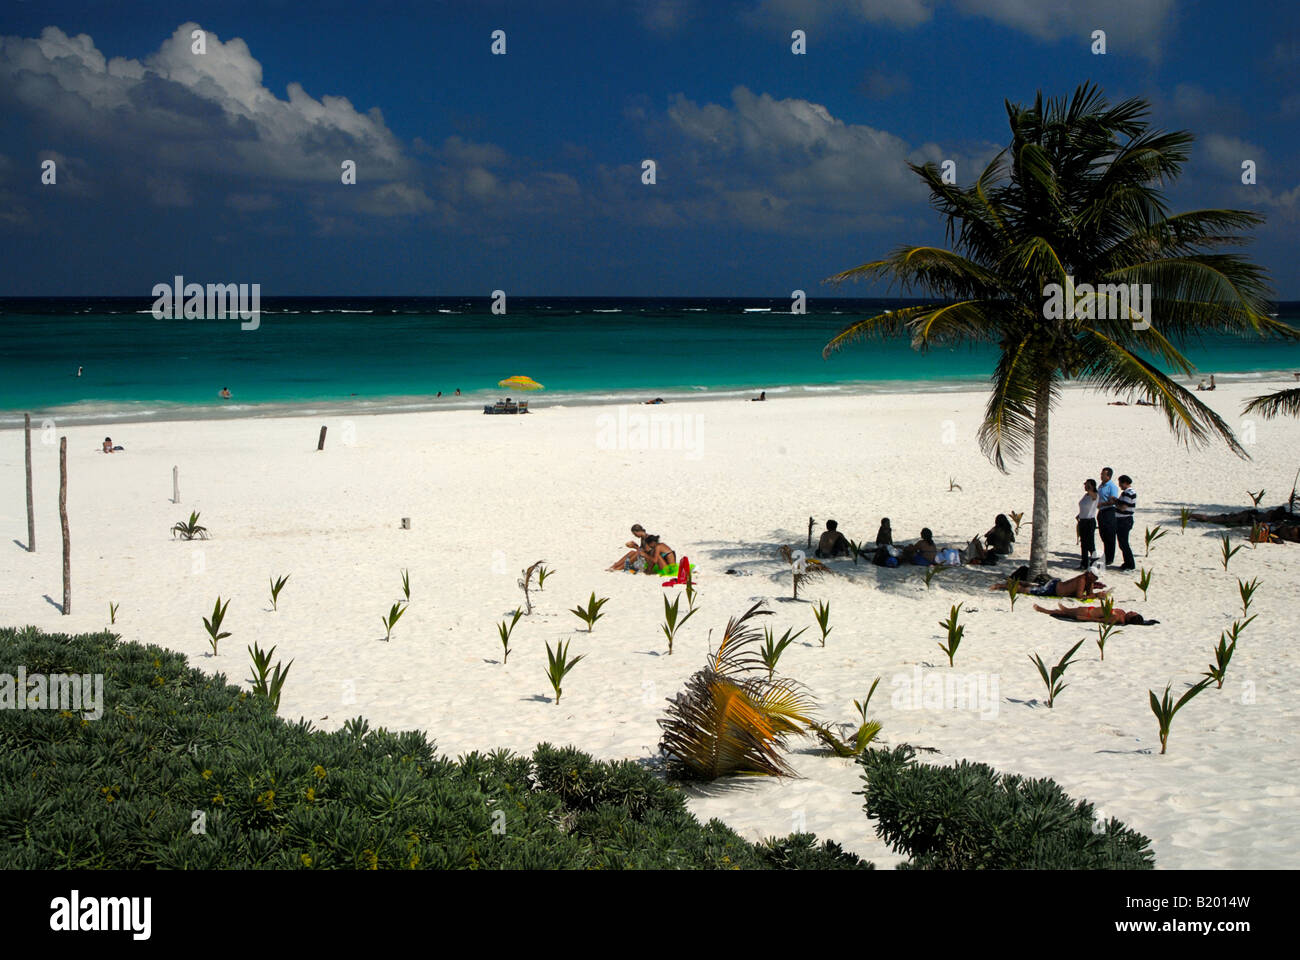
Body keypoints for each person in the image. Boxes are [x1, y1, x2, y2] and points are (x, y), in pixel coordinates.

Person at [994, 569, 1109, 599]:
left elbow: (1089, 593)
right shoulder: (1082, 580)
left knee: (1033, 586)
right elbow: (1080, 596)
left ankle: (1012, 582)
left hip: (1054, 585)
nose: (1096, 579)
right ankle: (1002, 586)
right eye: (1095, 577)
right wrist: (1097, 596)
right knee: (1028, 590)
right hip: (1053, 588)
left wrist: (1094, 594)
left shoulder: (1088, 581)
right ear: (1090, 574)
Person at [1033, 603, 1157, 626]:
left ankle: (1044, 610)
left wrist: (1083, 618)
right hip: (1090, 609)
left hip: (1087, 613)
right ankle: (1065, 609)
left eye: (1133, 613)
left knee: (1062, 613)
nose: (1132, 611)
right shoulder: (1123, 613)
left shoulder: (1118, 618)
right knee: (1066, 610)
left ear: (1131, 618)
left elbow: (1098, 621)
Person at [1096, 467, 1119, 567]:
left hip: (1109, 511)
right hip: (1101, 512)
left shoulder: (1112, 487)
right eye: (1101, 474)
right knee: (1103, 534)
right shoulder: (1101, 486)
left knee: (1110, 535)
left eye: (1103, 474)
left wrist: (1103, 504)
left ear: (1108, 476)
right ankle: (1106, 554)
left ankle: (1110, 558)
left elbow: (1113, 500)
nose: (1101, 476)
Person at [1115, 474, 1137, 571]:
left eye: (1120, 483)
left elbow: (1124, 507)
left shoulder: (1128, 493)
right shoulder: (1129, 492)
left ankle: (1130, 564)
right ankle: (1127, 562)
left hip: (1124, 520)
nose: (1120, 486)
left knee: (1124, 543)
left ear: (1124, 483)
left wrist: (1115, 502)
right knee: (1123, 543)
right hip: (1124, 520)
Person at [1077, 478, 1099, 570]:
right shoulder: (1086, 495)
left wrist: (1090, 488)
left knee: (1090, 543)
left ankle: (1094, 561)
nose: (1085, 486)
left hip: (1089, 521)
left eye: (1087, 485)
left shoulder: (1094, 495)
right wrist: (1079, 515)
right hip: (1083, 520)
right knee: (1084, 543)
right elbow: (1085, 507)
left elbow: (1094, 497)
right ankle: (1084, 563)